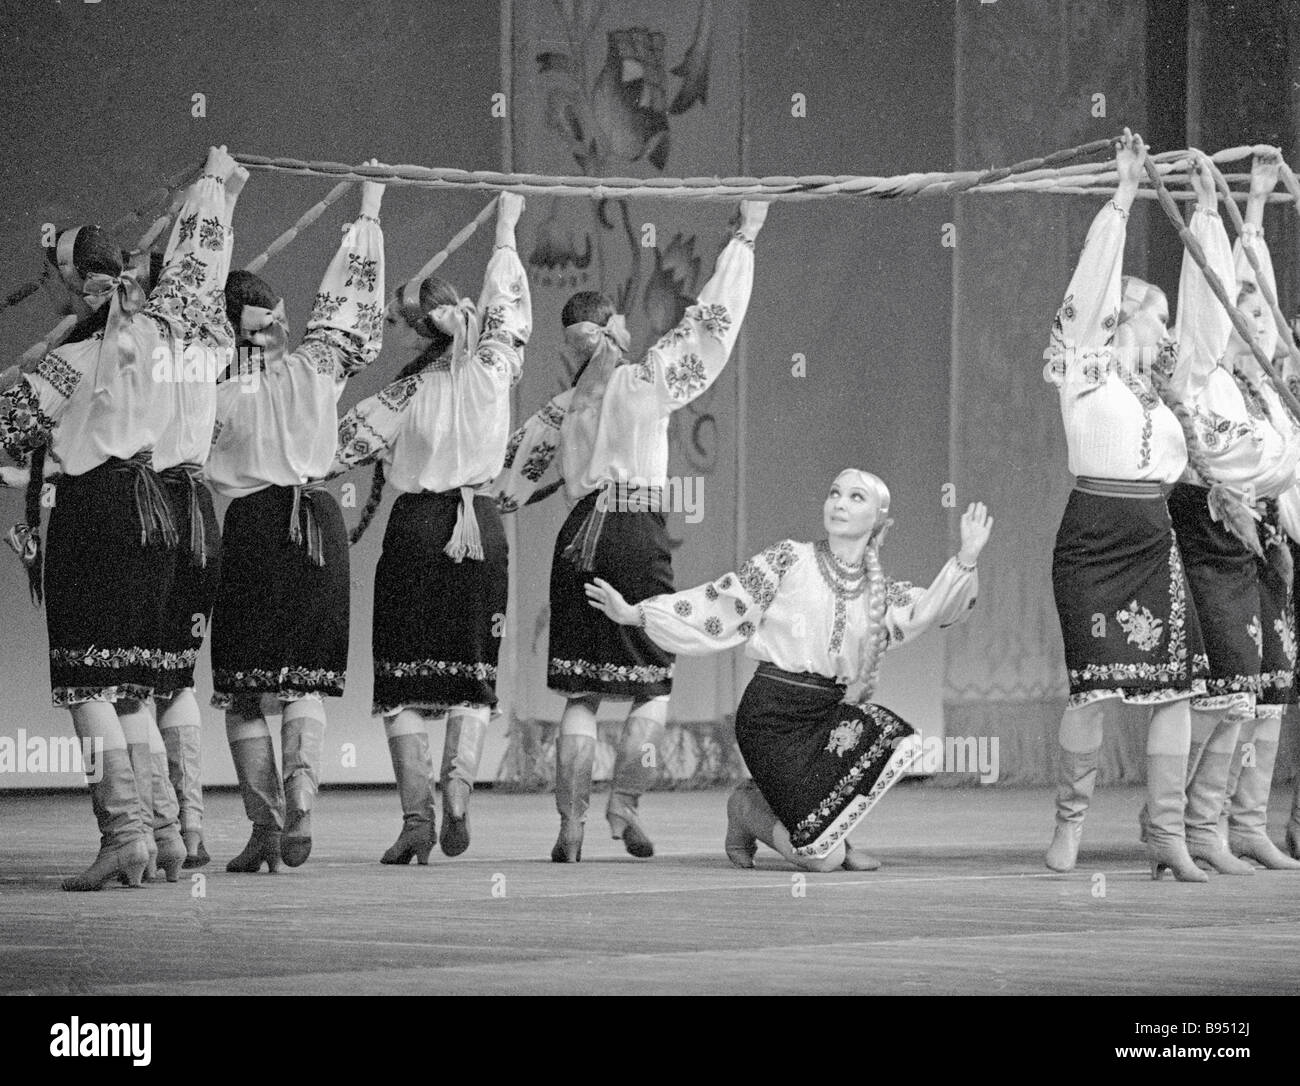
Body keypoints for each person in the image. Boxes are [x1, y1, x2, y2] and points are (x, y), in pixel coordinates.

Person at [0, 146, 244, 890]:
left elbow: (8, 430)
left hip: (97, 512)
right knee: (134, 681)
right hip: (155, 516)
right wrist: (217, 192)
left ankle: (125, 834)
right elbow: (199, 274)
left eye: (53, 282)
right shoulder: (165, 334)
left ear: (75, 284)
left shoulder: (75, 357)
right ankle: (165, 834)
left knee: (86, 684)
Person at [495, 199, 766, 862]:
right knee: (652, 684)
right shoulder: (647, 381)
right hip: (635, 530)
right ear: (613, 327)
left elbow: (508, 485)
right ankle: (624, 810)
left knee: (582, 692)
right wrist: (746, 237)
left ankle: (572, 825)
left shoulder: (559, 410)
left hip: (579, 535)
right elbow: (710, 328)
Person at [585, 471, 988, 870]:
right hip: (771, 717)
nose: (840, 503)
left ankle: (836, 836)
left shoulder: (877, 590)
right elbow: (721, 603)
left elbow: (930, 610)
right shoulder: (790, 559)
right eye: (835, 493)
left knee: (892, 739)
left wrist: (965, 560)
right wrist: (638, 613)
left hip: (823, 712)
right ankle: (747, 810)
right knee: (821, 860)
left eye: (855, 497)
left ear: (881, 522)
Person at [330, 192, 529, 863]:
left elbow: (336, 447)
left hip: (417, 529)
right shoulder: (495, 371)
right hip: (481, 528)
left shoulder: (403, 396)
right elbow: (505, 310)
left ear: (419, 335)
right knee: (472, 675)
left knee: (403, 681)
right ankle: (459, 791)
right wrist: (505, 230)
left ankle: (418, 817)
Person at [1041, 129, 1210, 882]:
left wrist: (1206, 210)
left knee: (1177, 684)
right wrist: (1123, 193)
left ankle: (1165, 830)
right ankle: (1070, 820)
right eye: (1158, 318)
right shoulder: (1082, 371)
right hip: (1093, 537)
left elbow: (1206, 330)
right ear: (1126, 318)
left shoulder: (1164, 398)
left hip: (1151, 536)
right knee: (1093, 686)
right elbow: (1090, 290)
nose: (1166, 331)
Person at [205, 172, 387, 872]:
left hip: (255, 527)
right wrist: (367, 213)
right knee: (302, 681)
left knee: (246, 687)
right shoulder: (315, 363)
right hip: (315, 523)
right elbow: (352, 301)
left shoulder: (212, 383)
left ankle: (266, 825)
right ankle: (300, 803)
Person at [1145, 151, 1300, 874]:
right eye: (1230, 297)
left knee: (1265, 684)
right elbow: (1212, 304)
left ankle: (1239, 825)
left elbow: (1258, 309)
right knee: (1227, 683)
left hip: (1256, 536)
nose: (1247, 310)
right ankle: (1182, 825)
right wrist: (1207, 216)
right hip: (1206, 531)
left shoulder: (1255, 385)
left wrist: (1257, 211)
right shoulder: (1195, 376)